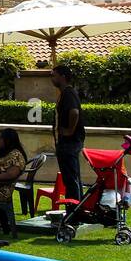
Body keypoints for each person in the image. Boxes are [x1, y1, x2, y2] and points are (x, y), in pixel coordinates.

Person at [50, 63, 86, 200]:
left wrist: (70, 130)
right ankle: (76, 208)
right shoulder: (65, 93)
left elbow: (74, 112)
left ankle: (74, 211)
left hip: (69, 143)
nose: (52, 78)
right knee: (72, 178)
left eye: (54, 75)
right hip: (66, 143)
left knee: (71, 179)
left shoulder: (69, 93)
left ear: (63, 77)